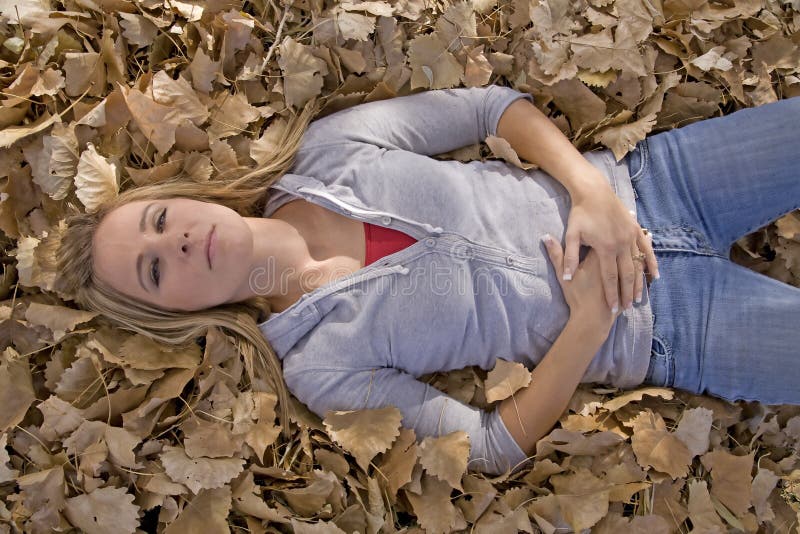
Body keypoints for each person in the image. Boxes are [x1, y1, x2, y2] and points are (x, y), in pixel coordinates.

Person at [55, 84, 800, 476]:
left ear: (179, 197)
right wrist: (588, 328)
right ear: (173, 314)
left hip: (657, 185)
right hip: (663, 327)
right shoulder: (320, 366)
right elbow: (488, 447)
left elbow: (487, 109)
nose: (179, 243)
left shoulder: (328, 152)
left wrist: (592, 193)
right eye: (156, 271)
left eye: (158, 222)